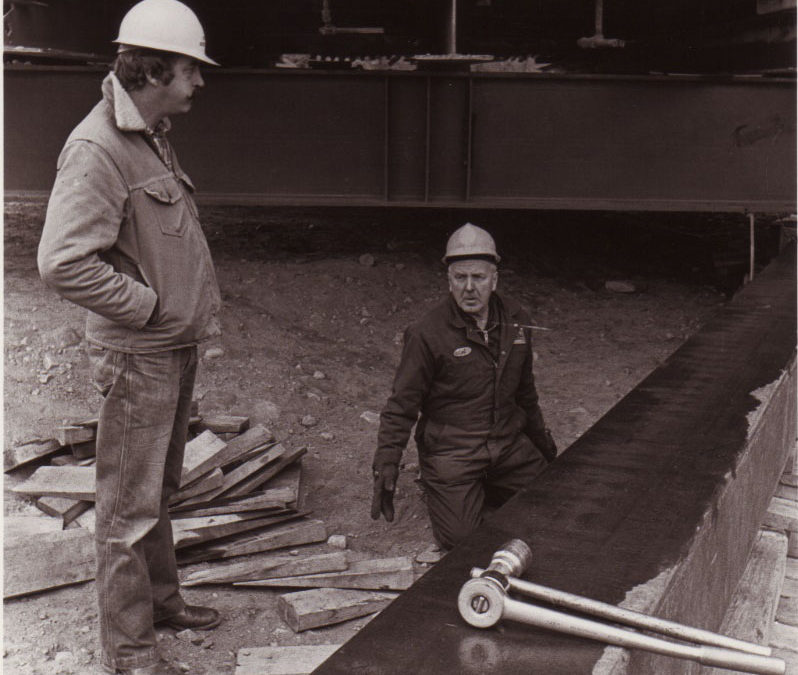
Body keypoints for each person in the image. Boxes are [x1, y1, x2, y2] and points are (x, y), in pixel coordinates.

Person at [37, 1, 222, 673]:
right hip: (140, 353)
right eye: (190, 69)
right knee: (127, 509)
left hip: (169, 349)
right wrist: (144, 308)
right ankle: (131, 654)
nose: (199, 81)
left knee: (158, 488)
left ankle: (163, 603)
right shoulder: (98, 148)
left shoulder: (147, 132)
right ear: (154, 69)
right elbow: (61, 261)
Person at [370, 223, 557, 551]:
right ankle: (449, 493)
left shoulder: (517, 319)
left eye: (479, 278)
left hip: (507, 446)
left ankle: (486, 492)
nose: (470, 288)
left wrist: (543, 448)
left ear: (494, 279)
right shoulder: (427, 334)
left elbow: (525, 392)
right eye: (460, 278)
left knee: (556, 505)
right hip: (453, 452)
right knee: (462, 540)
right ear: (449, 280)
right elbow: (402, 404)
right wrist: (387, 462)